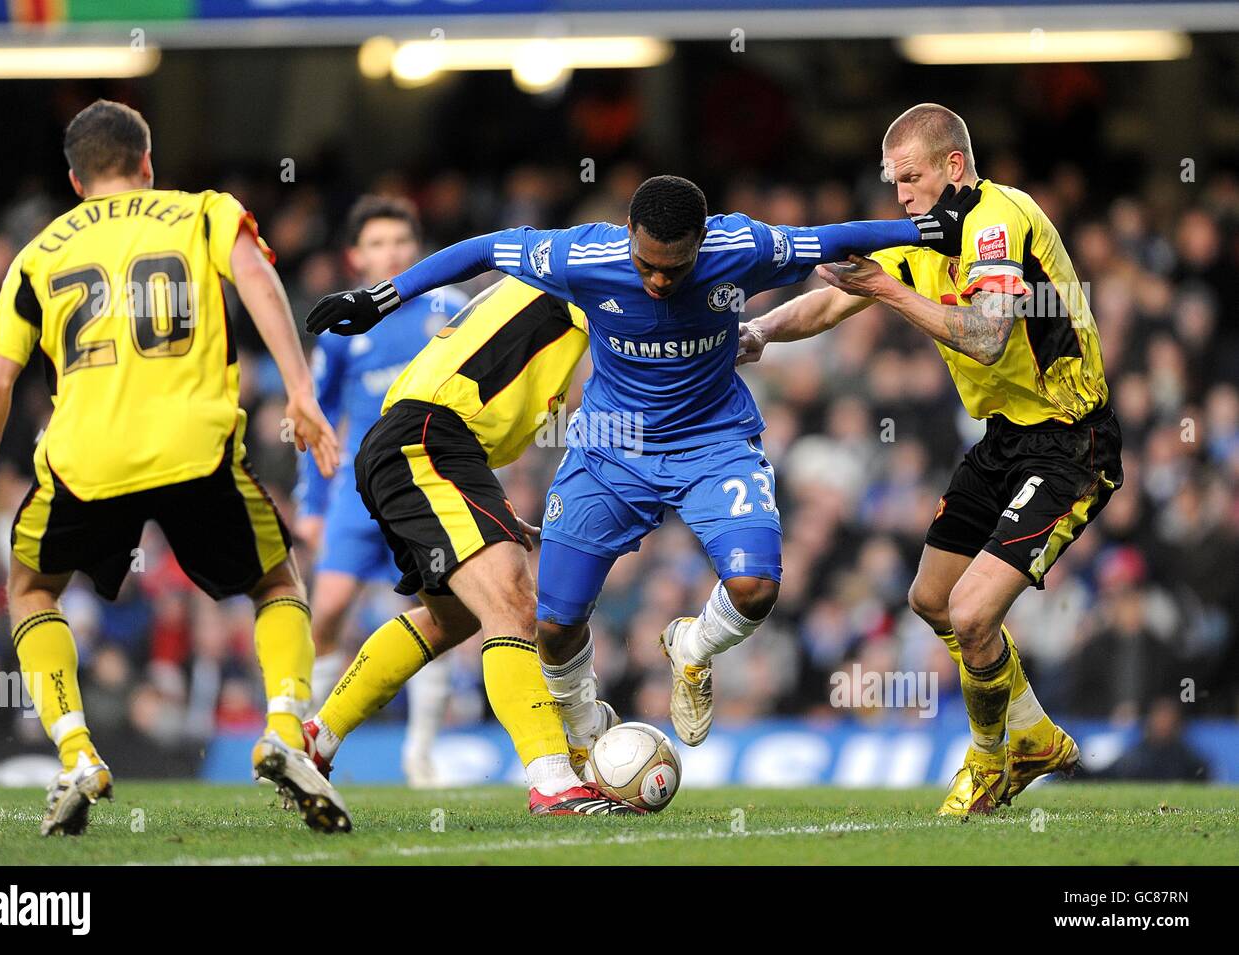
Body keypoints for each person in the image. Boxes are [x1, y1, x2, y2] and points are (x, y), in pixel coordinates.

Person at [305, 173, 974, 768]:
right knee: (553, 623)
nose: (658, 280)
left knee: (755, 587)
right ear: (627, 235)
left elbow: (833, 236)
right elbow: (484, 248)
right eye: (648, 265)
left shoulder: (741, 248)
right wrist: (384, 294)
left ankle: (691, 646)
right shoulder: (583, 255)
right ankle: (583, 727)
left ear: (702, 243)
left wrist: (925, 229)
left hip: (714, 441)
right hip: (607, 450)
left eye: (673, 269)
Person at [0, 99, 349, 834]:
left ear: (75, 179)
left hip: (85, 457)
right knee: (275, 581)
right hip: (195, 445)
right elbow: (256, 280)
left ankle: (75, 752)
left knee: (32, 587)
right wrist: (299, 388)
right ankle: (286, 727)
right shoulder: (202, 213)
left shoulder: (39, 251)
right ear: (148, 163)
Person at [739, 103, 1121, 815]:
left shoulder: (998, 220)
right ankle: (1033, 731)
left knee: (973, 614)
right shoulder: (920, 235)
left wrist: (885, 288)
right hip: (1006, 436)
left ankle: (987, 762)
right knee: (931, 599)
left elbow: (984, 335)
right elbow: (829, 304)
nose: (901, 195)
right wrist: (757, 331)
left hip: (1071, 438)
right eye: (893, 181)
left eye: (911, 178)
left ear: (953, 166)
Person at [304, 275, 638, 814]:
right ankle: (554, 781)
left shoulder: (548, 289)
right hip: (429, 441)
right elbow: (635, 369)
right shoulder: (594, 283)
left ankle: (315, 739)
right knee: (514, 605)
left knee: (453, 618)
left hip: (421, 446)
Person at [295, 196, 466, 786]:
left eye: (400, 241)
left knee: (437, 612)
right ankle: (306, 741)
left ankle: (420, 755)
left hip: (427, 481)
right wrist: (310, 504)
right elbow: (316, 415)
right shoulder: (341, 326)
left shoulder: (450, 307)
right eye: (377, 243)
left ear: (416, 250)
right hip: (354, 490)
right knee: (329, 613)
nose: (390, 252)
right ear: (355, 256)